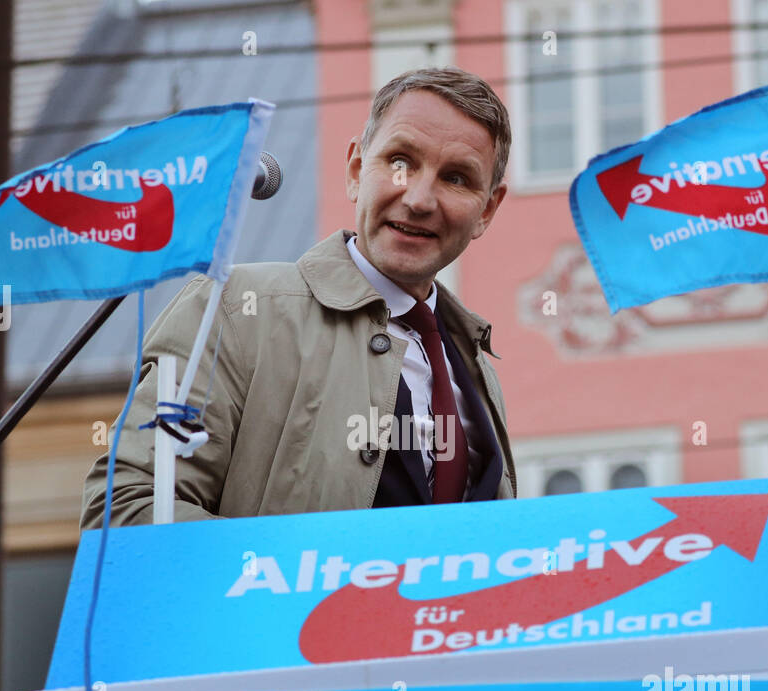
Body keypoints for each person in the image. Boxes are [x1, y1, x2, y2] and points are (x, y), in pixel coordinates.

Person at [81, 67, 516, 527]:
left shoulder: (476, 368)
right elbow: (128, 510)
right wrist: (295, 580)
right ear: (355, 169)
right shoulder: (233, 310)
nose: (420, 199)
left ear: (487, 209)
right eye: (400, 161)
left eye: (456, 178)